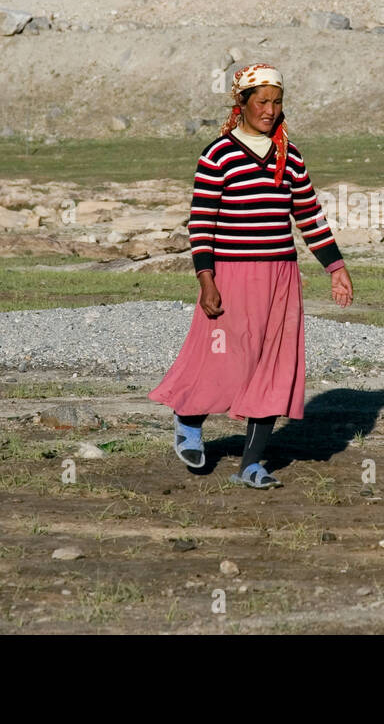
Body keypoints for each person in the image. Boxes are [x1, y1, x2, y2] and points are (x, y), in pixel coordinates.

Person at [148, 63, 353, 488]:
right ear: (241, 103)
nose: (270, 110)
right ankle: (188, 420)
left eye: (277, 103)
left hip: (281, 278)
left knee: (274, 367)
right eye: (262, 102)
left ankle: (252, 464)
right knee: (221, 358)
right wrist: (206, 279)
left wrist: (336, 268)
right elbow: (201, 222)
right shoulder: (218, 154)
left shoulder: (289, 156)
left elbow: (310, 217)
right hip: (232, 276)